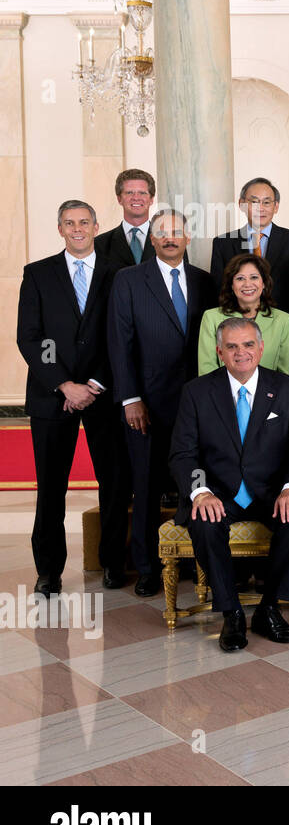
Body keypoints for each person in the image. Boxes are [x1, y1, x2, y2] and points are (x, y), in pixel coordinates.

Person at [169, 317, 289, 652]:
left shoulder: (288, 389)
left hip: (272, 490)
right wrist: (200, 492)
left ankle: (269, 608)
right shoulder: (196, 392)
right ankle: (231, 612)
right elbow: (182, 453)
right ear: (219, 351)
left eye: (248, 344)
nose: (241, 353)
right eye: (232, 347)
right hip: (219, 490)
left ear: (261, 348)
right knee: (203, 521)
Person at [18, 200, 130, 593]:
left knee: (114, 482)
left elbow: (121, 334)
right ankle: (48, 570)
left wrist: (94, 384)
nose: (78, 228)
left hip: (106, 392)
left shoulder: (120, 274)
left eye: (84, 222)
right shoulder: (37, 274)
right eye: (70, 223)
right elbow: (29, 337)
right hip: (53, 396)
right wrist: (65, 384)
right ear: (60, 228)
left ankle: (114, 562)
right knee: (51, 485)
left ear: (97, 226)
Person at [108, 209, 217, 596]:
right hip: (147, 405)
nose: (170, 239)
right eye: (162, 233)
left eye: (177, 232)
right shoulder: (129, 281)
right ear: (151, 240)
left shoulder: (206, 281)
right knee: (147, 485)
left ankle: (195, 560)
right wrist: (130, 398)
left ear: (188, 238)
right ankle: (148, 568)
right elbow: (119, 344)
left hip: (200, 405)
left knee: (197, 483)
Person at [210, 177, 289, 324]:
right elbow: (218, 292)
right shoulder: (223, 244)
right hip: (236, 328)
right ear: (241, 204)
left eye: (266, 202)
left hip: (282, 327)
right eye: (254, 202)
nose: (261, 208)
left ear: (276, 206)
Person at [198, 254, 289, 376]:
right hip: (222, 393)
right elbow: (207, 372)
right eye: (240, 278)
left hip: (269, 393)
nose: (247, 284)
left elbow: (286, 373)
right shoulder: (211, 318)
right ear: (232, 285)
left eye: (254, 277)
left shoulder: (283, 320)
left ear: (264, 283)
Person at [95, 168, 158, 269]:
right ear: (119, 199)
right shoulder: (99, 244)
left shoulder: (170, 241)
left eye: (142, 193)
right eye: (129, 193)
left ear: (151, 199)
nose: (136, 197)